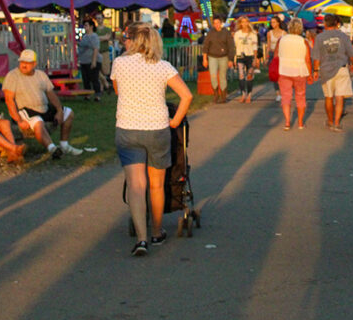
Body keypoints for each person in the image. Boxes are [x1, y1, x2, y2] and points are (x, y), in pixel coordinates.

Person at [111, 23, 193, 256]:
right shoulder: (163, 67)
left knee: (136, 186)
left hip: (127, 128)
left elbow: (118, 91)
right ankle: (157, 231)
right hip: (157, 129)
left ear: (133, 42)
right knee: (156, 184)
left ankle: (141, 239)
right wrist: (175, 121)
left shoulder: (119, 63)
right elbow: (186, 95)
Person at [2, 49, 83, 159]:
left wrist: (59, 110)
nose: (24, 65)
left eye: (27, 63)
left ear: (34, 64)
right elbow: (9, 100)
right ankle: (52, 149)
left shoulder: (41, 75)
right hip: (26, 109)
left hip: (43, 108)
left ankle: (64, 145)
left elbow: (51, 94)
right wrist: (18, 120)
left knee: (68, 113)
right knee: (38, 122)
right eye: (22, 62)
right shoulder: (12, 76)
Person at [313, 14, 353, 132]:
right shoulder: (343, 36)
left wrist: (315, 70)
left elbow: (316, 56)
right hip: (341, 68)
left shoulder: (319, 37)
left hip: (326, 69)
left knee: (328, 97)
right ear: (336, 23)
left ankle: (330, 121)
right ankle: (337, 123)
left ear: (325, 23)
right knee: (340, 97)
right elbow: (352, 53)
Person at [277, 18, 311, 130]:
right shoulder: (303, 41)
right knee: (300, 96)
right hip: (299, 71)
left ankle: (287, 122)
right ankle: (300, 123)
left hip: (284, 70)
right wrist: (310, 74)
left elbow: (276, 56)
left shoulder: (281, 40)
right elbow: (307, 59)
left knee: (286, 97)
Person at [202, 17, 235, 103]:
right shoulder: (210, 33)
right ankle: (216, 93)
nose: (217, 25)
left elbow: (231, 46)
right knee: (213, 75)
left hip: (224, 57)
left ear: (221, 23)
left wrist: (230, 59)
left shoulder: (226, 33)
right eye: (215, 23)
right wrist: (204, 59)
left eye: (218, 23)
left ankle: (223, 95)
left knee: (222, 76)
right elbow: (206, 46)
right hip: (212, 57)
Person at [232, 16, 258, 103]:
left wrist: (255, 58)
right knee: (241, 75)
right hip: (240, 56)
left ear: (248, 23)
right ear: (240, 23)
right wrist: (234, 58)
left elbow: (255, 47)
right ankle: (243, 94)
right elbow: (235, 46)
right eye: (242, 22)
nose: (244, 24)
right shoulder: (237, 34)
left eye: (246, 22)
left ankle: (249, 94)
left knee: (249, 76)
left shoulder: (253, 34)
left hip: (250, 56)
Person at [77, 17, 102, 102]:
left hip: (92, 60)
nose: (85, 27)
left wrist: (94, 61)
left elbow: (96, 49)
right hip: (84, 60)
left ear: (91, 26)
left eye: (86, 25)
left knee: (94, 78)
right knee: (86, 79)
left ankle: (97, 95)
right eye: (84, 25)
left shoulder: (94, 36)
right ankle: (87, 94)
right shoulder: (84, 37)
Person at [265, 16, 285, 103]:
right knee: (274, 74)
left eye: (274, 22)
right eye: (271, 22)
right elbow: (268, 45)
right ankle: (277, 93)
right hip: (272, 53)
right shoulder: (269, 33)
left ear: (278, 23)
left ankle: (283, 92)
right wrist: (266, 56)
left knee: (281, 75)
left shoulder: (284, 33)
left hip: (281, 54)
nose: (272, 24)